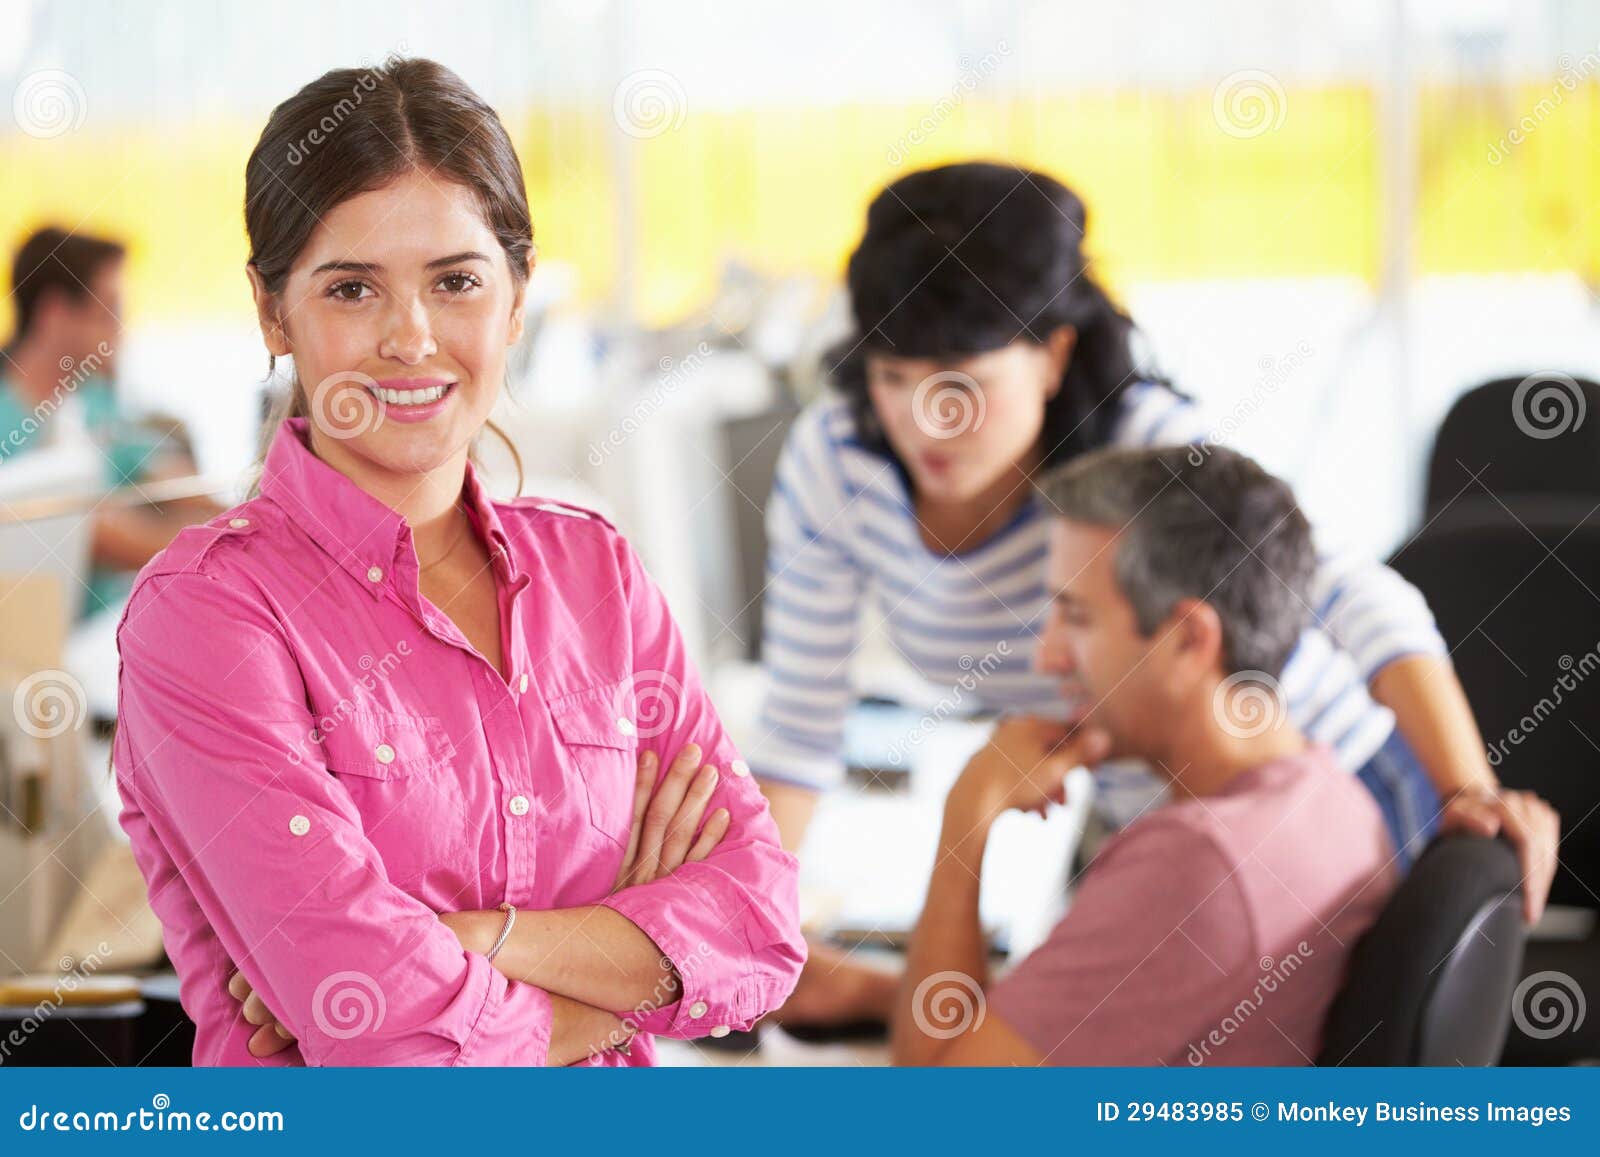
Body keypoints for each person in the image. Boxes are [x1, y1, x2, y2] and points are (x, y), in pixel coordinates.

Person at [112, 56, 804, 1067]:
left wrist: (476, 942)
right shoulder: (207, 614)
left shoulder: (595, 576)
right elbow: (384, 1038)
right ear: (272, 312)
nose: (411, 336)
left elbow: (760, 926)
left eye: (457, 281)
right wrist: (628, 992)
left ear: (516, 299)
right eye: (351, 288)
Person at [753, 161, 1560, 1026]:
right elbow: (799, 730)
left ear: (1054, 352)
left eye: (962, 385)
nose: (923, 423)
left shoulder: (1148, 453)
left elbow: (1365, 599)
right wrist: (745, 947)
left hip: (1314, 794)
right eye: (891, 378)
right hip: (1156, 809)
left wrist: (1468, 789)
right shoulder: (835, 459)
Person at [891, 445, 1558, 1065]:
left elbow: (935, 1111)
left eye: (1078, 617)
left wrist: (967, 816)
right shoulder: (1327, 793)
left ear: (1188, 637)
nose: (1047, 656)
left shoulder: (1194, 863)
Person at [0, 226, 221, 617]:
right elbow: (97, 536)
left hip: (113, 625)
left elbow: (171, 476)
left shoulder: (94, 401)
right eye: (110, 311)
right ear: (55, 314)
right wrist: (235, 540)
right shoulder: (10, 421)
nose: (120, 331)